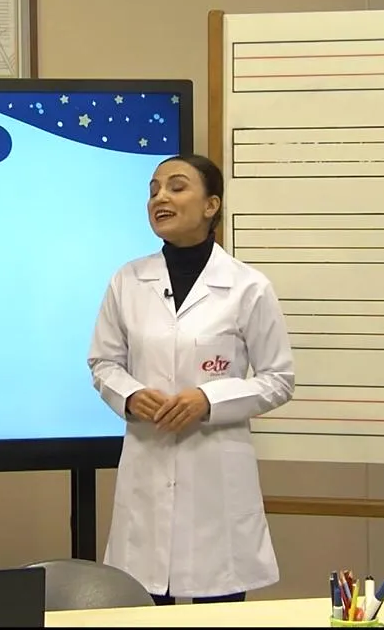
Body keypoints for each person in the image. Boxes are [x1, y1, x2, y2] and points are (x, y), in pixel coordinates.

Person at [87, 154, 295, 605]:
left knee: (218, 607)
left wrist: (209, 400)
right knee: (143, 607)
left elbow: (279, 379)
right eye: (153, 189)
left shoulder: (248, 286)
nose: (160, 197)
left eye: (176, 187)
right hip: (147, 468)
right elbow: (103, 363)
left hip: (216, 480)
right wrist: (130, 396)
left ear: (211, 205)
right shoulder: (128, 281)